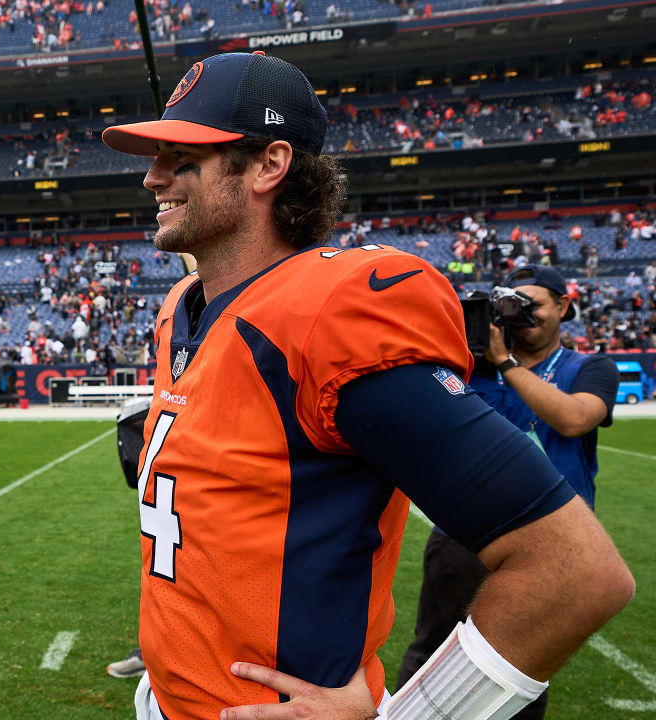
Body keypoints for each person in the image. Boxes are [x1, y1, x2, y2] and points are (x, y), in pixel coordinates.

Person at [100, 51, 634, 720]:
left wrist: (416, 716)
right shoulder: (183, 305)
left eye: (182, 160)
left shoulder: (326, 316)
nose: (152, 177)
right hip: (172, 695)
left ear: (269, 165)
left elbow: (576, 572)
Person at [397, 265, 620, 719]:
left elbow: (575, 418)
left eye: (532, 305)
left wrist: (506, 363)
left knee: (522, 669)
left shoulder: (589, 367)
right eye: (510, 306)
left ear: (563, 306)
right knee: (434, 650)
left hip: (553, 538)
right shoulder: (470, 367)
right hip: (464, 534)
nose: (521, 316)